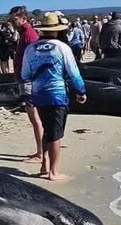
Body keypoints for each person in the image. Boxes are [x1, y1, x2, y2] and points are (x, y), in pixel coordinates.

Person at [21, 13, 87, 181]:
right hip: (57, 94)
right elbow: (74, 72)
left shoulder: (31, 49)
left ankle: (44, 164)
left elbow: (25, 74)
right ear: (57, 30)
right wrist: (81, 91)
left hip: (38, 94)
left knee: (46, 129)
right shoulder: (62, 47)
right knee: (56, 133)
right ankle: (53, 171)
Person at [9, 5, 46, 163]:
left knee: (35, 116)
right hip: (25, 79)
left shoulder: (29, 34)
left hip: (29, 80)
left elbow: (35, 58)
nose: (13, 22)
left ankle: (41, 153)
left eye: (15, 19)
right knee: (33, 117)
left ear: (23, 18)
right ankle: (40, 150)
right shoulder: (23, 33)